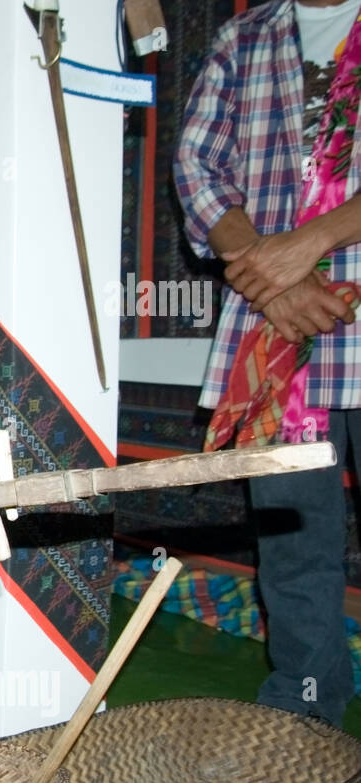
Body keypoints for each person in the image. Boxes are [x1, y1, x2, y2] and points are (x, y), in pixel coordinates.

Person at [175, 0, 361, 727]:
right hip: (279, 340)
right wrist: (273, 277)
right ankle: (305, 718)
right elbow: (195, 165)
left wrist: (303, 245)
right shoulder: (242, 40)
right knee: (293, 547)